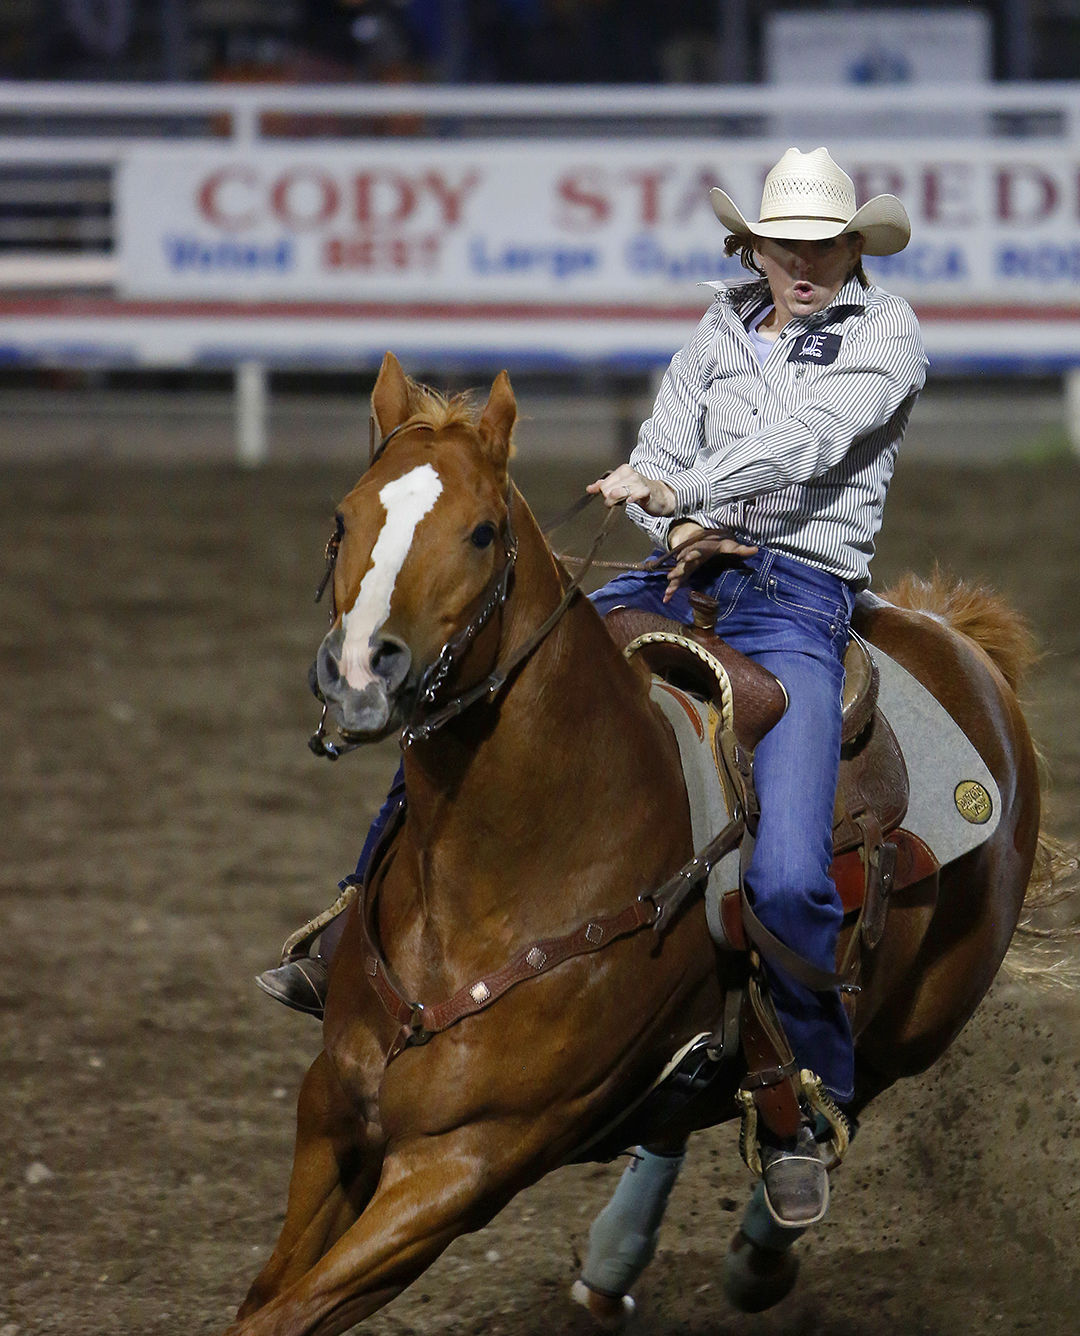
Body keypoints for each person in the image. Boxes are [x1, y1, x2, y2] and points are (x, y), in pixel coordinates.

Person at [259, 146, 926, 1226]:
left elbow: (808, 442)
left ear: (855, 248)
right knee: (471, 700)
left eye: (823, 245)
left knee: (795, 878)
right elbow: (666, 444)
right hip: (679, 575)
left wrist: (688, 488)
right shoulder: (718, 329)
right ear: (752, 245)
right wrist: (669, 508)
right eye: (784, 243)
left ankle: (811, 1098)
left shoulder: (887, 336)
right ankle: (350, 917)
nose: (801, 262)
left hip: (799, 600)